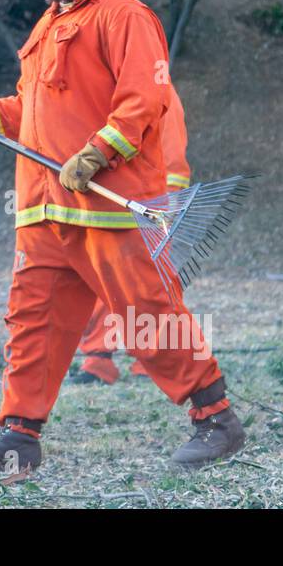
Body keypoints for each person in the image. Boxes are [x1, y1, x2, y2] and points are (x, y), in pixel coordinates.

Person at [0, 0, 245, 472]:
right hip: (44, 211)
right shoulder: (47, 26)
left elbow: (144, 99)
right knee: (32, 320)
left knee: (147, 312)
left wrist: (94, 156)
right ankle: (19, 436)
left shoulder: (125, 16)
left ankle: (216, 418)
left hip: (109, 207)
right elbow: (29, 113)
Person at [72, 83, 190, 384]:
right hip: (121, 198)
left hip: (153, 200)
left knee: (149, 285)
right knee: (108, 278)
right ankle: (99, 360)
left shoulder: (157, 93)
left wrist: (167, 199)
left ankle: (147, 363)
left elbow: (171, 154)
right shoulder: (115, 89)